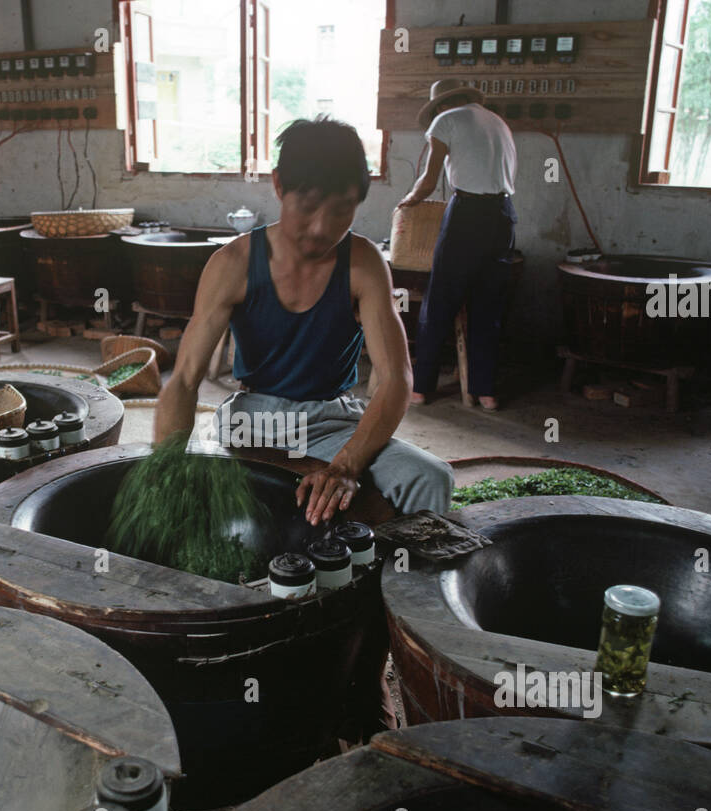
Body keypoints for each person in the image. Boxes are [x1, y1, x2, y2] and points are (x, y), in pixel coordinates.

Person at [153, 116, 454, 523]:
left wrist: (346, 465)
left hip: (332, 421)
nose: (320, 228)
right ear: (279, 185)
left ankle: (394, 581)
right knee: (240, 503)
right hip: (253, 420)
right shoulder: (234, 264)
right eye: (308, 207)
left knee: (429, 478)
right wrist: (164, 469)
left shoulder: (363, 263)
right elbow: (185, 379)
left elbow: (397, 378)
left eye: (342, 210)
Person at [399, 79, 518, 410]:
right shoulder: (498, 122)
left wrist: (408, 200)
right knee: (488, 306)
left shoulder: (446, 119)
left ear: (440, 105)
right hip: (504, 215)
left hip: (467, 213)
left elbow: (430, 177)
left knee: (439, 302)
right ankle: (486, 392)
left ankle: (421, 388)